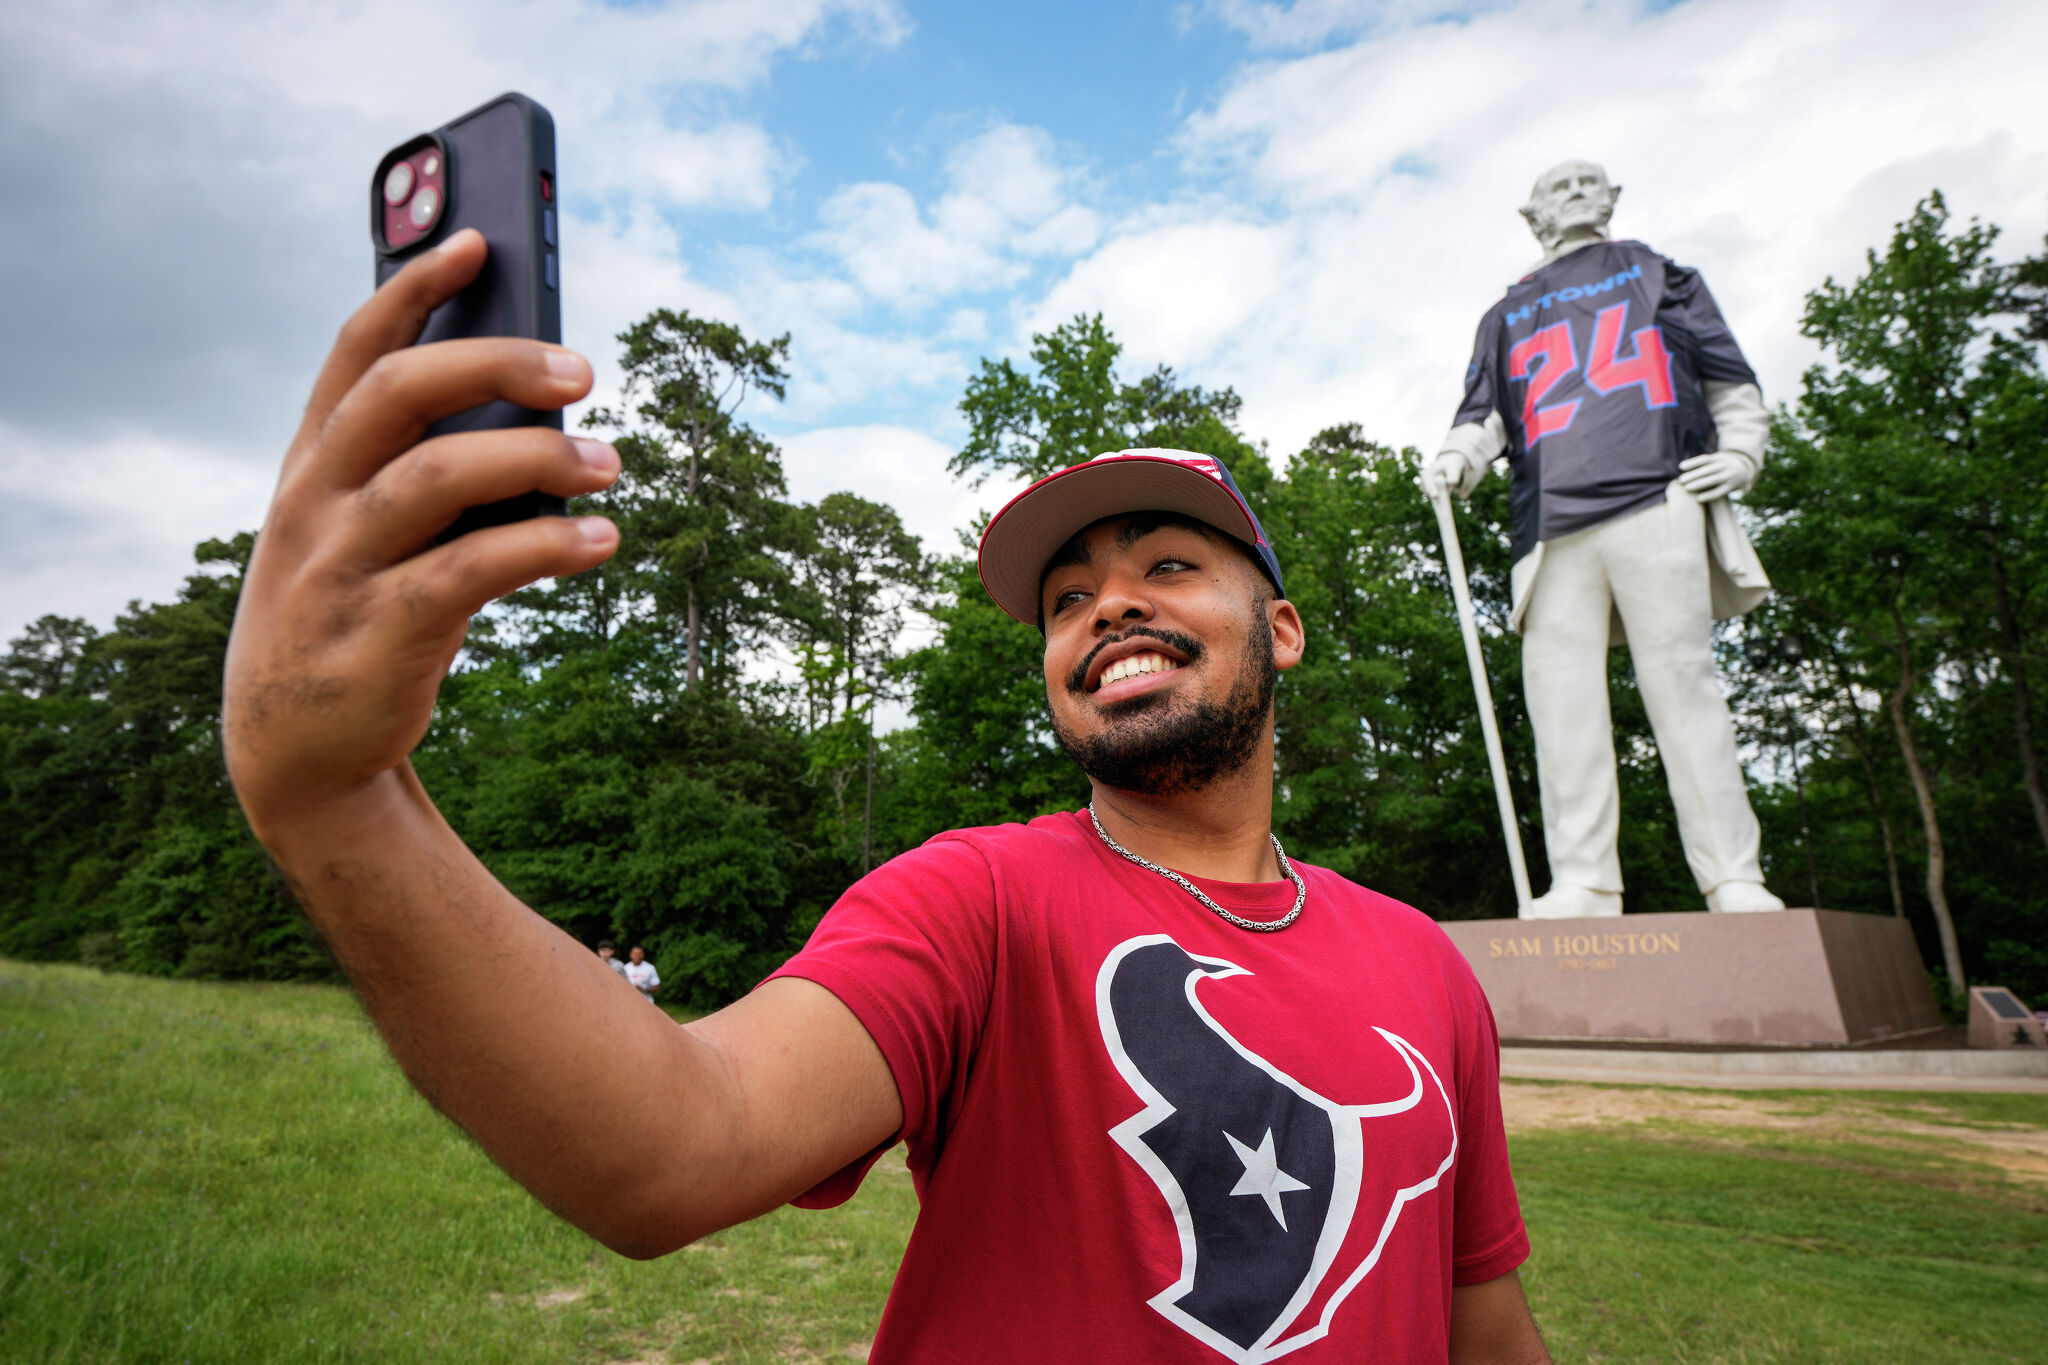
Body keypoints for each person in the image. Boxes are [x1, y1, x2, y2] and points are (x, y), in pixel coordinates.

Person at [222, 228, 1550, 1363]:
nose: (1111, 607)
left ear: (1287, 629)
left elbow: (1483, 1324)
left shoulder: (1423, 965)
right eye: (1069, 599)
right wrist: (342, 801)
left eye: (1166, 564)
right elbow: (673, 1146)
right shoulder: (977, 899)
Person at [1423, 159, 1785, 919]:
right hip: (1552, 525)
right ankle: (1584, 881)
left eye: (1591, 182)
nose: (1578, 192)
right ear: (1533, 214)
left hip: (1657, 495)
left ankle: (1732, 876)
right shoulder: (1509, 311)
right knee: (1562, 709)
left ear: (1613, 198)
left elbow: (1727, 376)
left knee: (1683, 686)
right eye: (1560, 186)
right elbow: (1483, 410)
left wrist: (1745, 448)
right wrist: (1459, 455)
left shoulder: (1661, 274)